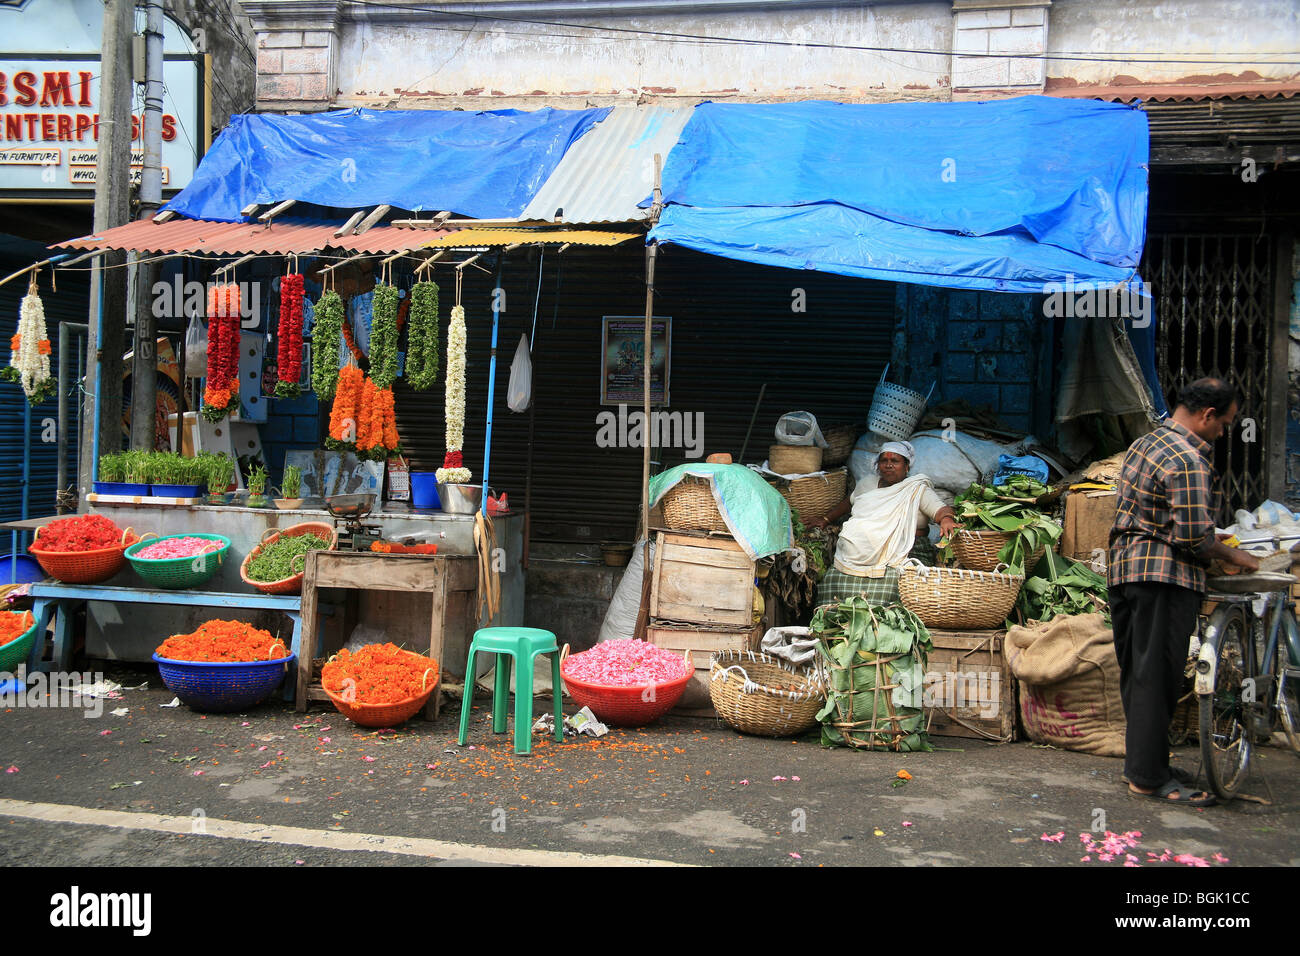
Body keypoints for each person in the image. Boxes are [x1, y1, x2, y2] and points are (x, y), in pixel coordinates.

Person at [1108, 377, 1259, 807]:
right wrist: (1237, 556)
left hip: (1127, 574)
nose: (1224, 432)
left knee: (1139, 674)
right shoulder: (1188, 459)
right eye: (1225, 423)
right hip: (1165, 579)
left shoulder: (1145, 444)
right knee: (1159, 677)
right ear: (1207, 415)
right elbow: (1194, 536)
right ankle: (1149, 779)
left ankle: (1145, 765)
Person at [808, 440, 957, 606]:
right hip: (856, 554)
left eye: (895, 461)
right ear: (878, 465)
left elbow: (941, 510)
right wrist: (826, 519)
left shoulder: (916, 489)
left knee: (895, 580)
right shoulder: (867, 484)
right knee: (832, 577)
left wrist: (947, 519)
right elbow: (849, 502)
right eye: (884, 461)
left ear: (906, 466)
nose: (888, 465)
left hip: (904, 552)